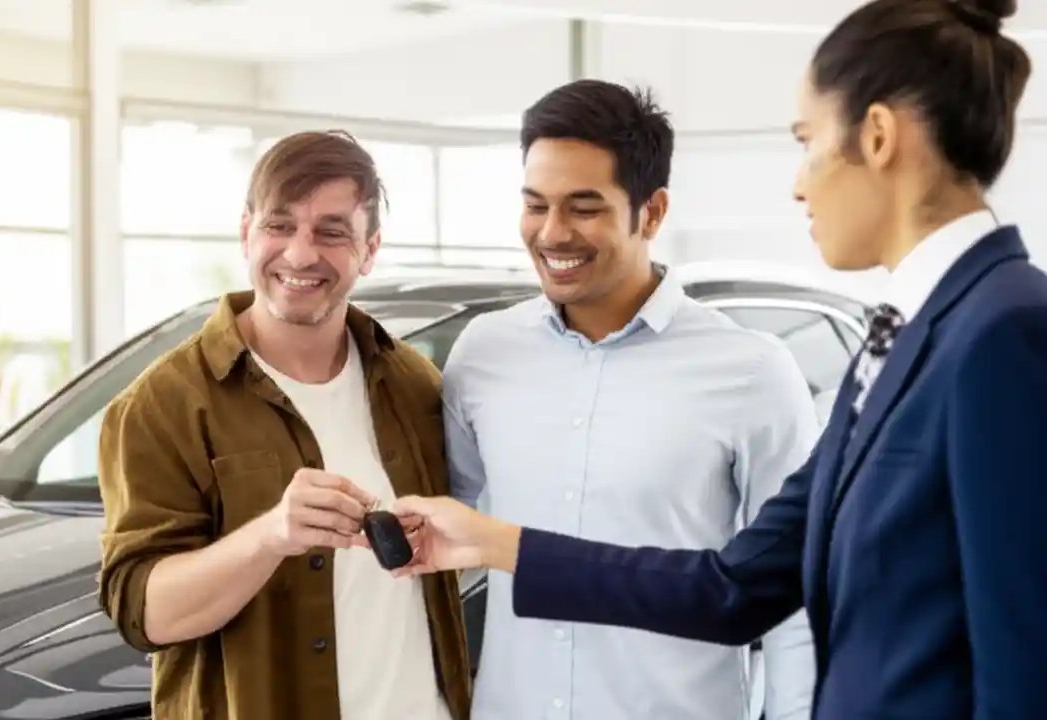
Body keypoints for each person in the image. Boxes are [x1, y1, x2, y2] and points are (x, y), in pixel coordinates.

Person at [383, 0, 1047, 718]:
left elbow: (1026, 665)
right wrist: (498, 543)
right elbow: (732, 588)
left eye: (806, 140)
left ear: (879, 136)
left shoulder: (1005, 330)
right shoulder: (908, 335)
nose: (798, 183)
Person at [440, 79, 817, 719]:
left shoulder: (751, 371)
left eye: (584, 208)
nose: (552, 234)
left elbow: (796, 598)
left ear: (653, 212)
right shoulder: (484, 352)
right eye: (536, 205)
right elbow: (451, 540)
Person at [96, 130, 470, 720]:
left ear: (369, 249)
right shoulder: (163, 405)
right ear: (246, 231)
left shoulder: (412, 383)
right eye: (280, 225)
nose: (300, 254)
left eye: (331, 231)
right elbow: (146, 614)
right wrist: (271, 536)